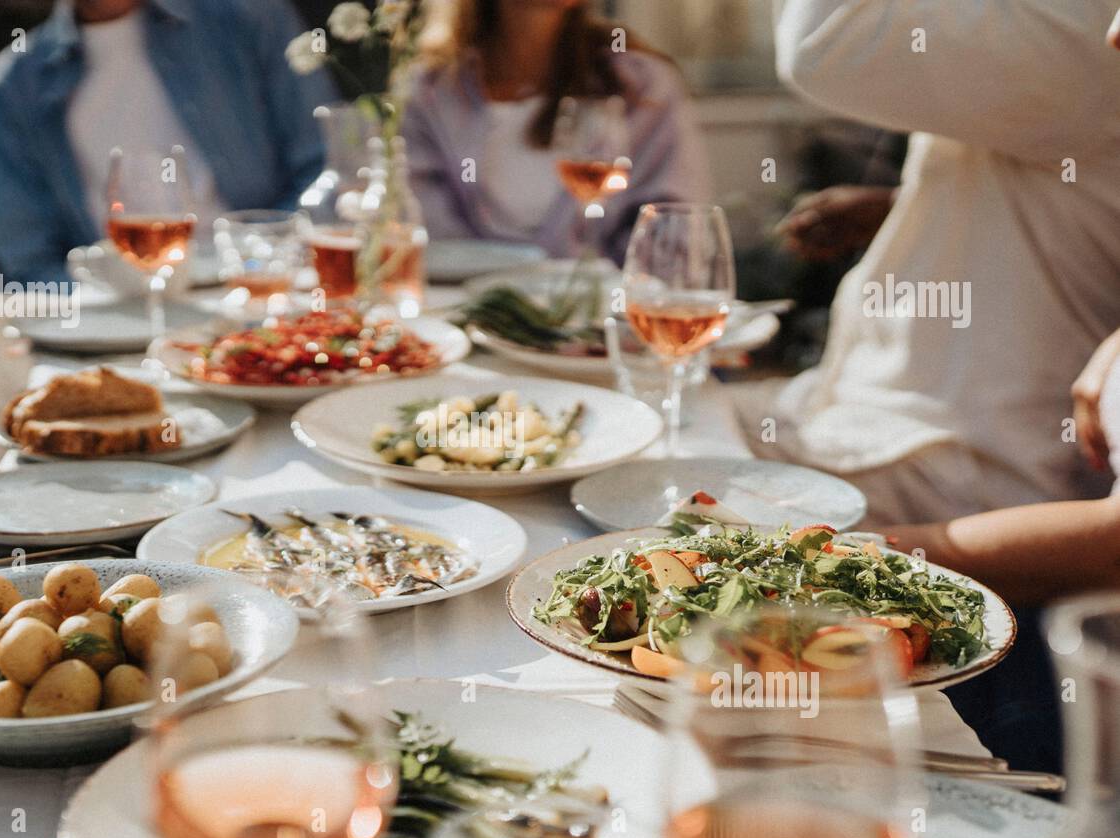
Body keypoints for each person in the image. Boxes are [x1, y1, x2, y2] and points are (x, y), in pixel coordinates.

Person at [732, 0, 1120, 526]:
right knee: (657, 420)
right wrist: (898, 203)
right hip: (879, 422)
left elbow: (820, 41)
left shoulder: (1090, 23)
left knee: (649, 476)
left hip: (964, 468)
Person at [0, 0, 334, 283]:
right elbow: (29, 260)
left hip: (265, 286)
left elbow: (326, 165)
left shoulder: (246, 17)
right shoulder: (11, 89)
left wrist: (263, 262)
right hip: (119, 315)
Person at [402, 0, 711, 263]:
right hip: (465, 317)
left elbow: (678, 238)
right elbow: (429, 237)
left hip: (605, 320)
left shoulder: (639, 84)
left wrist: (596, 301)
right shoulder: (430, 92)